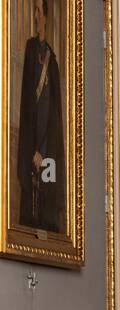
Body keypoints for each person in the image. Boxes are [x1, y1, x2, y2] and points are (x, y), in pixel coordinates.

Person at [17, 0, 64, 233]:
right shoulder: (30, 49)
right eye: (34, 12)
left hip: (47, 151)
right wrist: (33, 148)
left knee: (46, 205)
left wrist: (42, 150)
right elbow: (29, 105)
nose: (35, 17)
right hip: (31, 146)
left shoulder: (52, 63)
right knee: (29, 213)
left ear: (45, 16)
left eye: (38, 12)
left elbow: (51, 112)